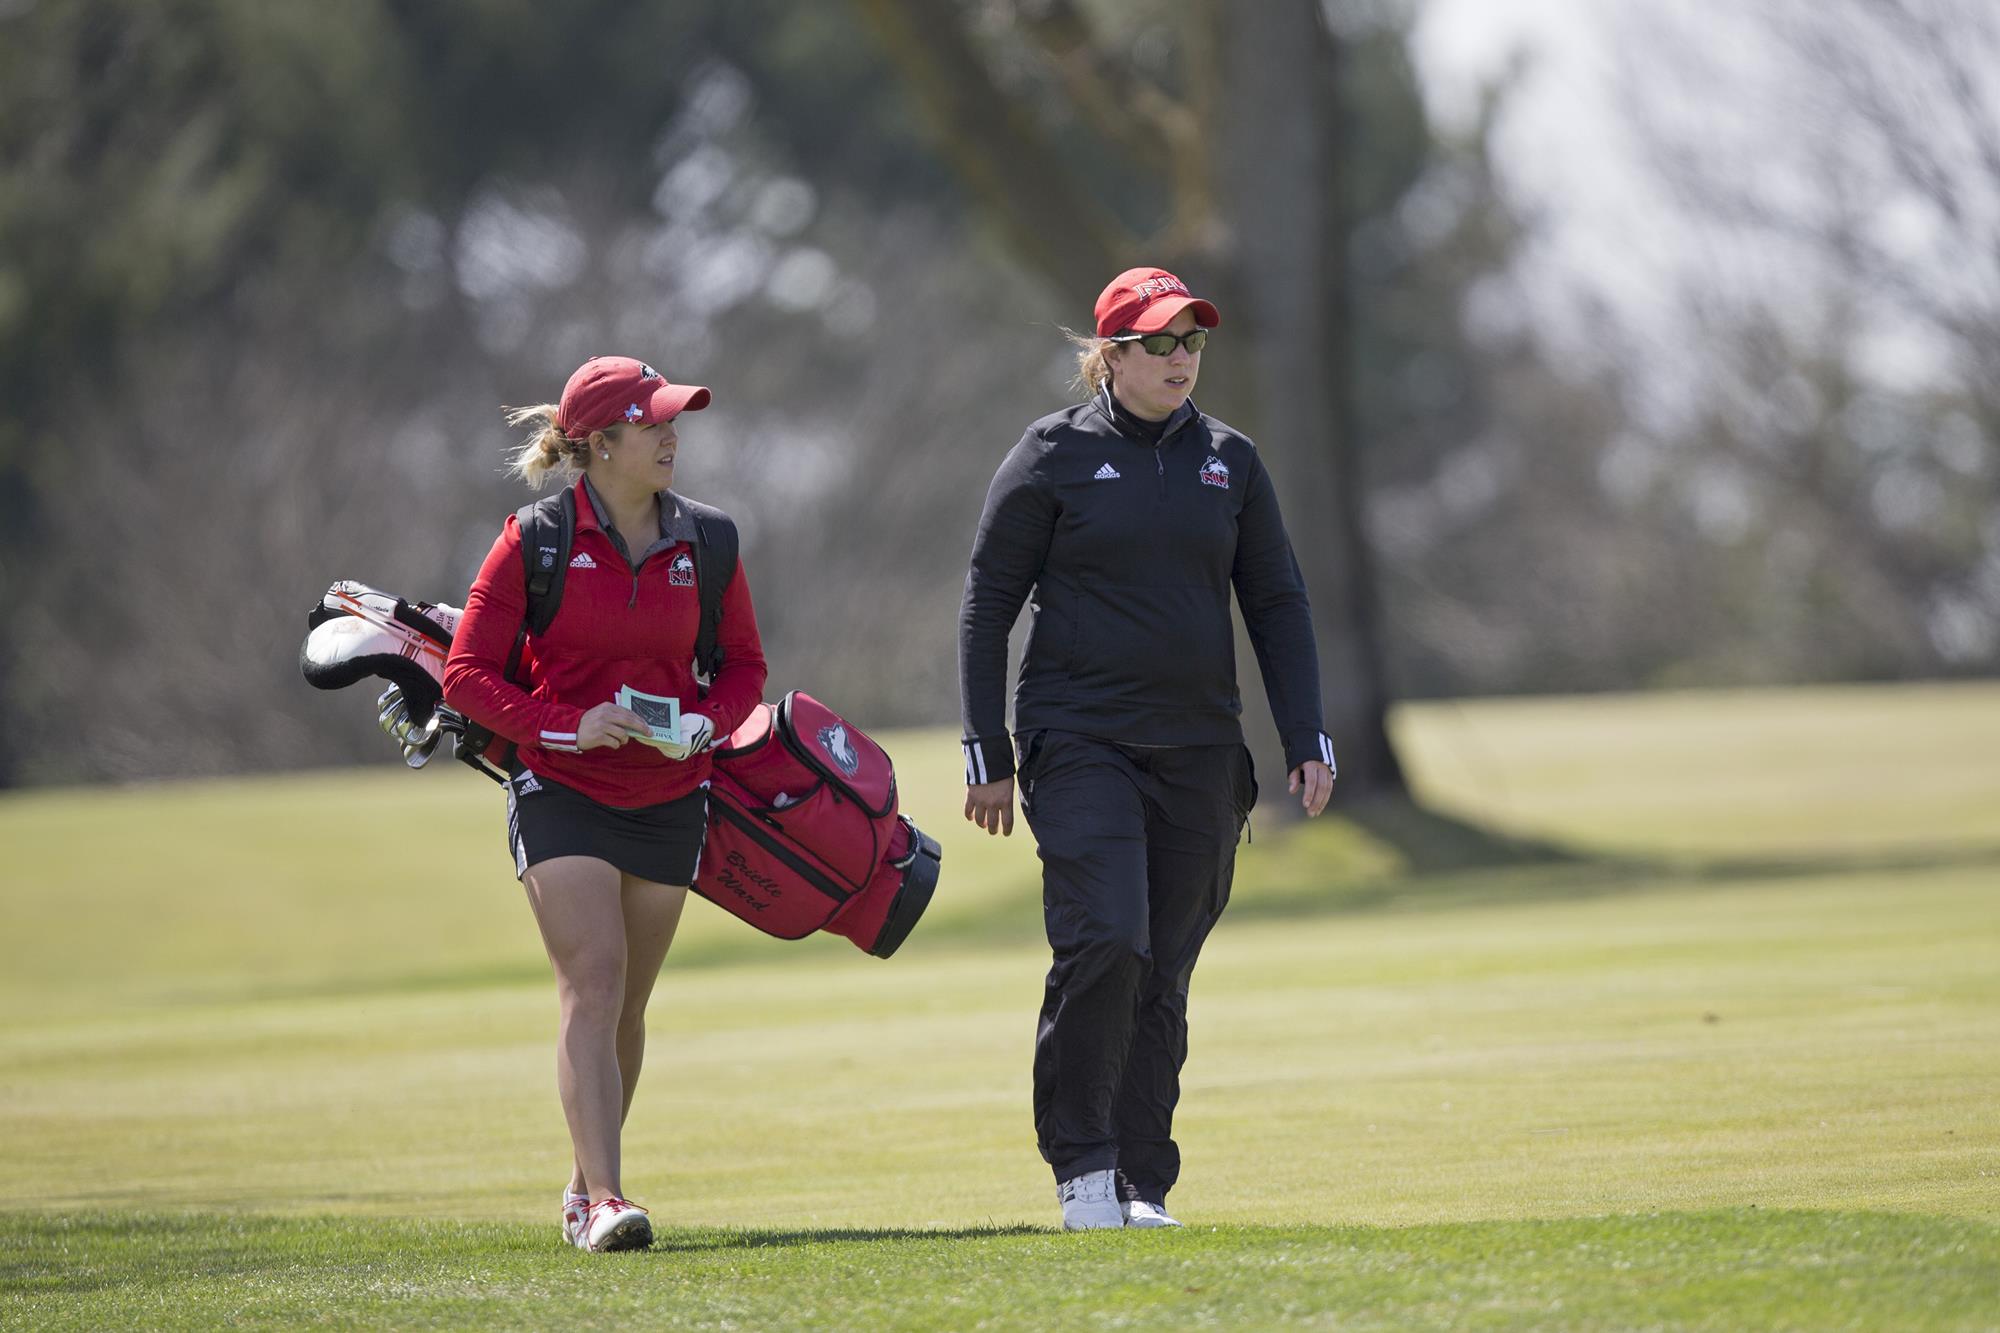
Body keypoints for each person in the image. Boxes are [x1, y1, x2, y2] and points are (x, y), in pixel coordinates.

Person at [958, 267, 1337, 1231]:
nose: (1181, 358)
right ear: (1112, 354)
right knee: (1108, 939)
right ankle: (1084, 1167)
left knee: (1164, 966)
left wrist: (1305, 734)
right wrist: (986, 749)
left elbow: (1278, 601)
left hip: (1202, 746)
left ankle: (1143, 1181)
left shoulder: (1230, 461)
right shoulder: (1052, 454)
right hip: (1078, 738)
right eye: (1160, 342)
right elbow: (987, 602)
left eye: (1192, 341)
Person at [443, 355, 768, 1252]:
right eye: (653, 422)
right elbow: (466, 675)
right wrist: (563, 726)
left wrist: (706, 723)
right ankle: (605, 1200)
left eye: (673, 420)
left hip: (670, 791)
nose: (671, 435)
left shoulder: (708, 539)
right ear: (600, 442)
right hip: (563, 786)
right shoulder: (535, 539)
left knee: (626, 1005)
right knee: (594, 980)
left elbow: (744, 665)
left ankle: (583, 1180)